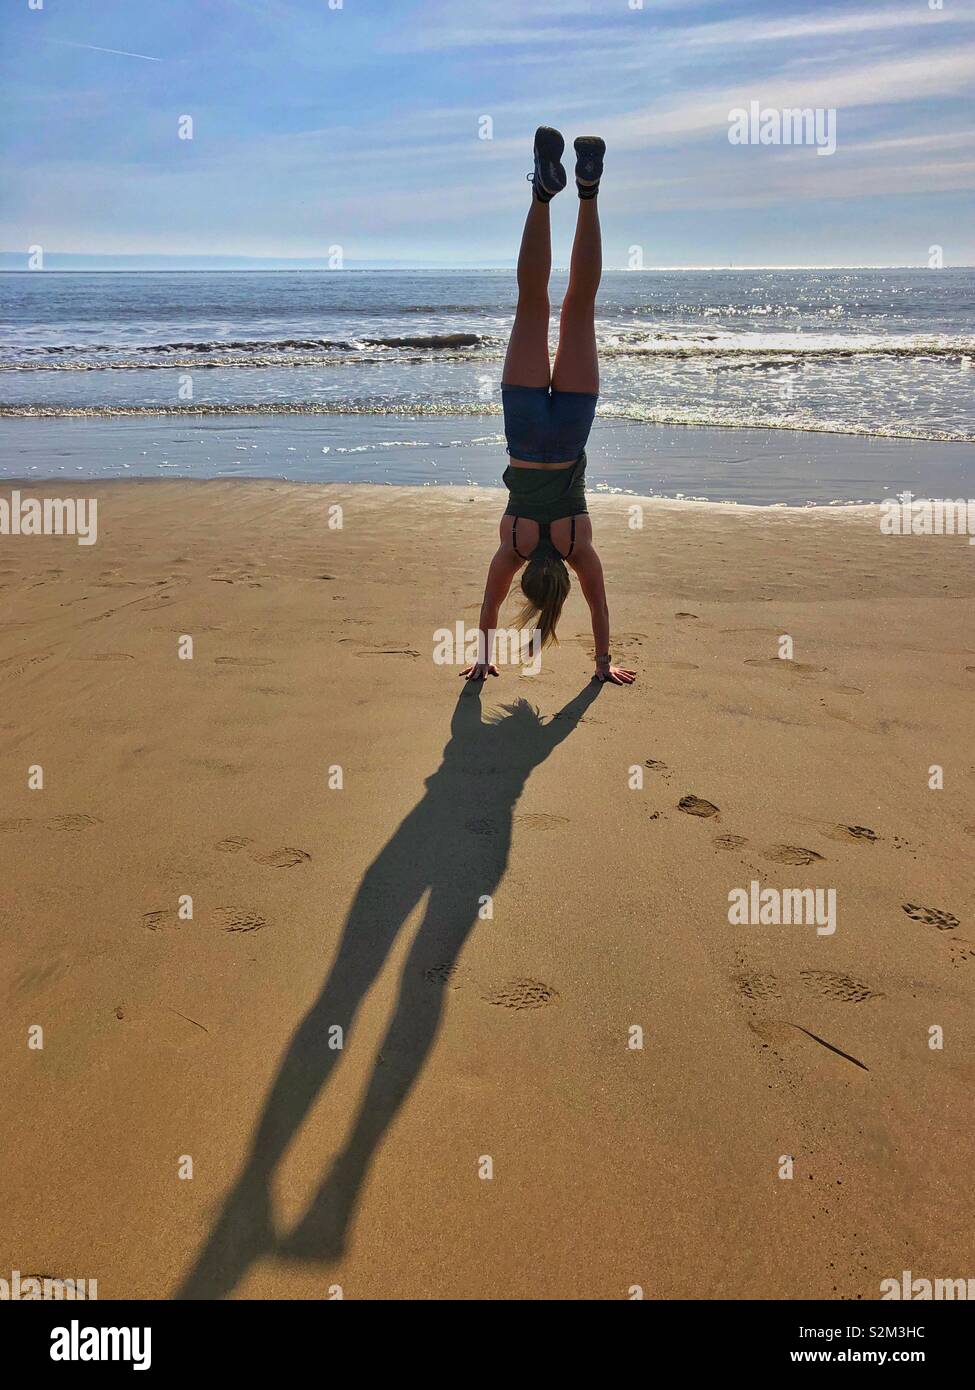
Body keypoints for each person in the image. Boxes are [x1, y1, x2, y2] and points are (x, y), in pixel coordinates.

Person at [462, 127, 636, 686]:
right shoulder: (511, 543)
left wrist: (604, 663)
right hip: (523, 422)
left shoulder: (576, 546)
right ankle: (543, 192)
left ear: (559, 579)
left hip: (570, 430)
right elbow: (487, 610)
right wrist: (484, 658)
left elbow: (601, 609)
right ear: (525, 580)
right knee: (534, 303)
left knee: (579, 308)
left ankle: (588, 187)